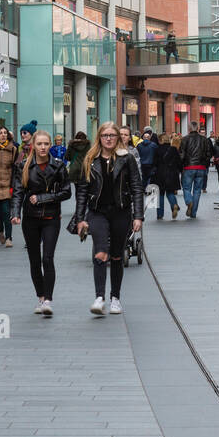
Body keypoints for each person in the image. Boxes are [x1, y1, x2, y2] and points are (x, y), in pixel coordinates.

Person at [73, 122, 145, 316]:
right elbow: (82, 191)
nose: (109, 138)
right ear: (99, 137)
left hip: (121, 212)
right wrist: (80, 218)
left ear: (118, 137)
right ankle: (99, 297)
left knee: (116, 255)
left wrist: (138, 216)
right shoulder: (90, 158)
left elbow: (137, 187)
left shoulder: (127, 159)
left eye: (112, 135)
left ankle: (115, 298)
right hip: (97, 213)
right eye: (105, 135)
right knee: (100, 252)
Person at [12, 129, 71, 317]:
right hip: (30, 219)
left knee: (48, 258)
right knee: (35, 261)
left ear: (51, 145)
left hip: (51, 218)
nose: (43, 147)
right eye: (40, 144)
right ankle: (40, 296)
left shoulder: (58, 166)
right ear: (34, 146)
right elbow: (18, 192)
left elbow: (67, 192)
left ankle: (48, 300)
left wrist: (43, 198)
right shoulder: (23, 166)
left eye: (46, 144)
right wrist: (15, 213)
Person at [178, 124, 214, 217]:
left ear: (189, 128)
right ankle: (193, 212)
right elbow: (209, 153)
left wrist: (181, 166)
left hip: (188, 167)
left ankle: (189, 201)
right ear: (197, 129)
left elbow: (181, 154)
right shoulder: (204, 140)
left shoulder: (185, 139)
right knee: (197, 190)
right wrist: (205, 163)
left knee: (186, 188)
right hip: (201, 167)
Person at [155, 133, 182, 220]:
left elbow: (154, 163)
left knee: (160, 194)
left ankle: (160, 215)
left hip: (160, 174)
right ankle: (174, 204)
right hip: (172, 174)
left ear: (160, 140)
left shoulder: (157, 149)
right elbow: (179, 163)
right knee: (170, 192)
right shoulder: (173, 149)